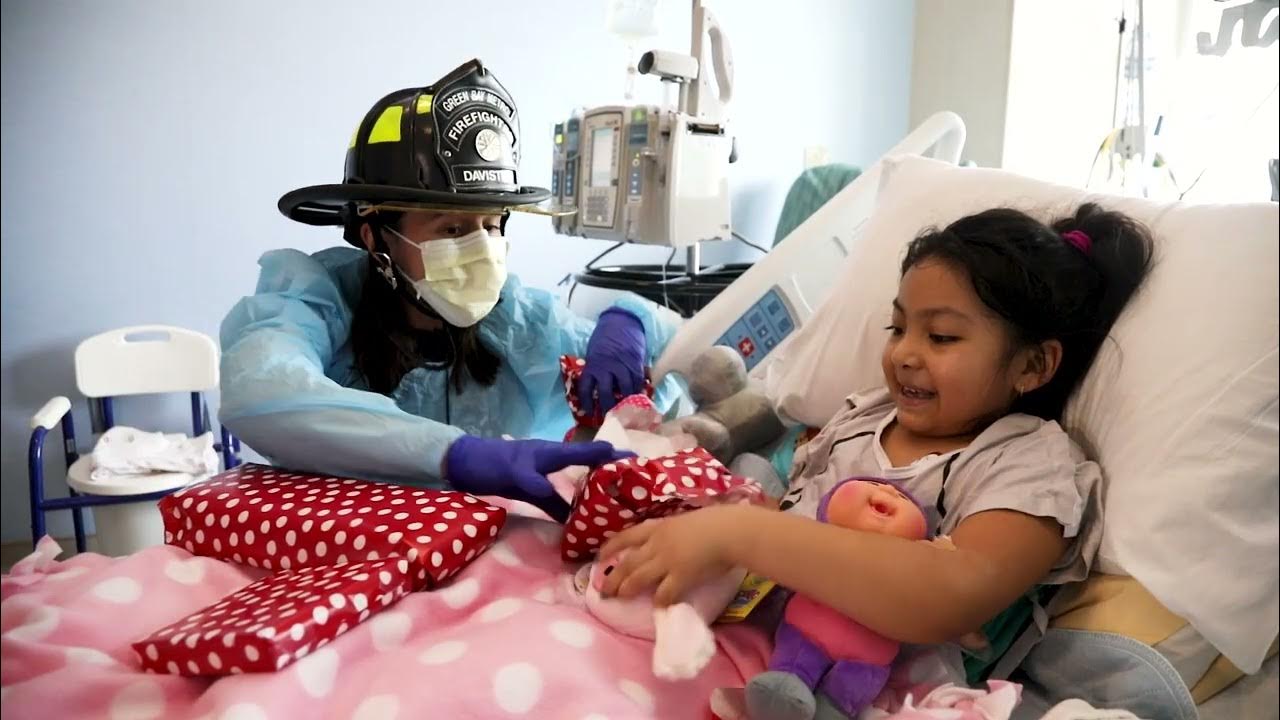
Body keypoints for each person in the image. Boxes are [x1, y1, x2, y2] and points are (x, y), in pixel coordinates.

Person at [599, 203, 1155, 716]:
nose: (904, 352)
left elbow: (949, 593)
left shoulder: (1030, 465)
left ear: (1033, 366)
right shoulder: (864, 416)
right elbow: (793, 517)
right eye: (899, 327)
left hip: (865, 694)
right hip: (754, 640)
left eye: (941, 336)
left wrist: (739, 534)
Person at [219, 59, 681, 522]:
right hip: (347, 544)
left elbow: (681, 360)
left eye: (491, 225)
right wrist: (453, 455)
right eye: (452, 228)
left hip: (486, 552)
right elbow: (261, 389)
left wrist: (628, 321)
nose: (481, 249)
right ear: (374, 237)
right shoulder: (315, 302)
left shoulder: (516, 320)